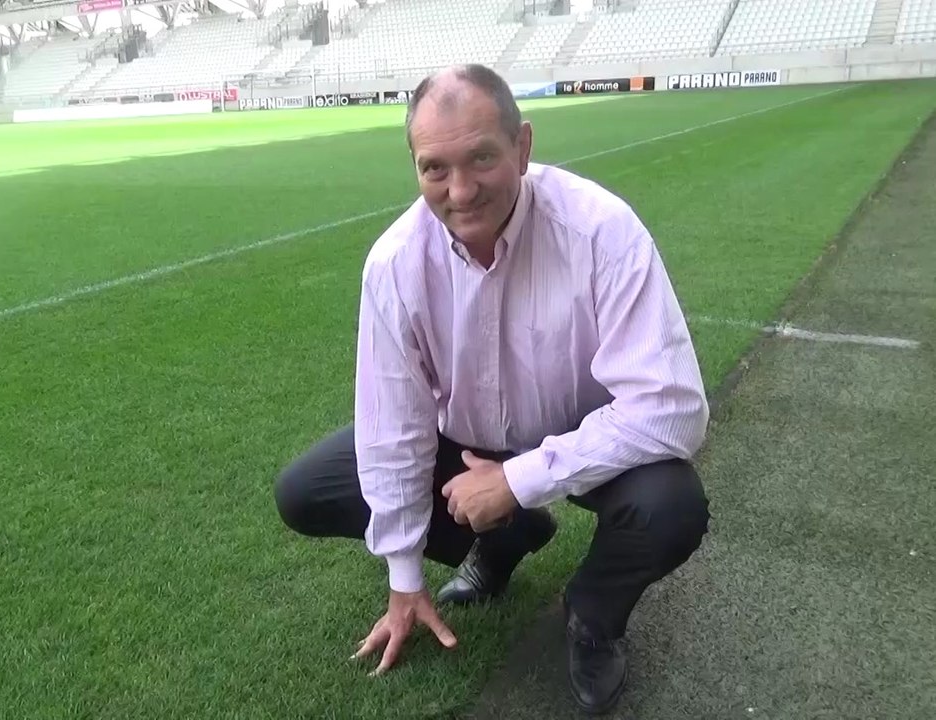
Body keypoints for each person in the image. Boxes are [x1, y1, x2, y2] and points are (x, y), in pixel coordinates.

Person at [273, 64, 712, 716]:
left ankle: (593, 613)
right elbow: (393, 426)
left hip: (585, 436)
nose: (460, 190)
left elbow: (672, 409)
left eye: (482, 158)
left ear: (523, 147)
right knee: (308, 491)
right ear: (415, 169)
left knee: (671, 506)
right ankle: (504, 538)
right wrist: (404, 579)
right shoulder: (395, 264)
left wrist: (518, 480)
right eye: (434, 168)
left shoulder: (600, 229)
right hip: (467, 442)